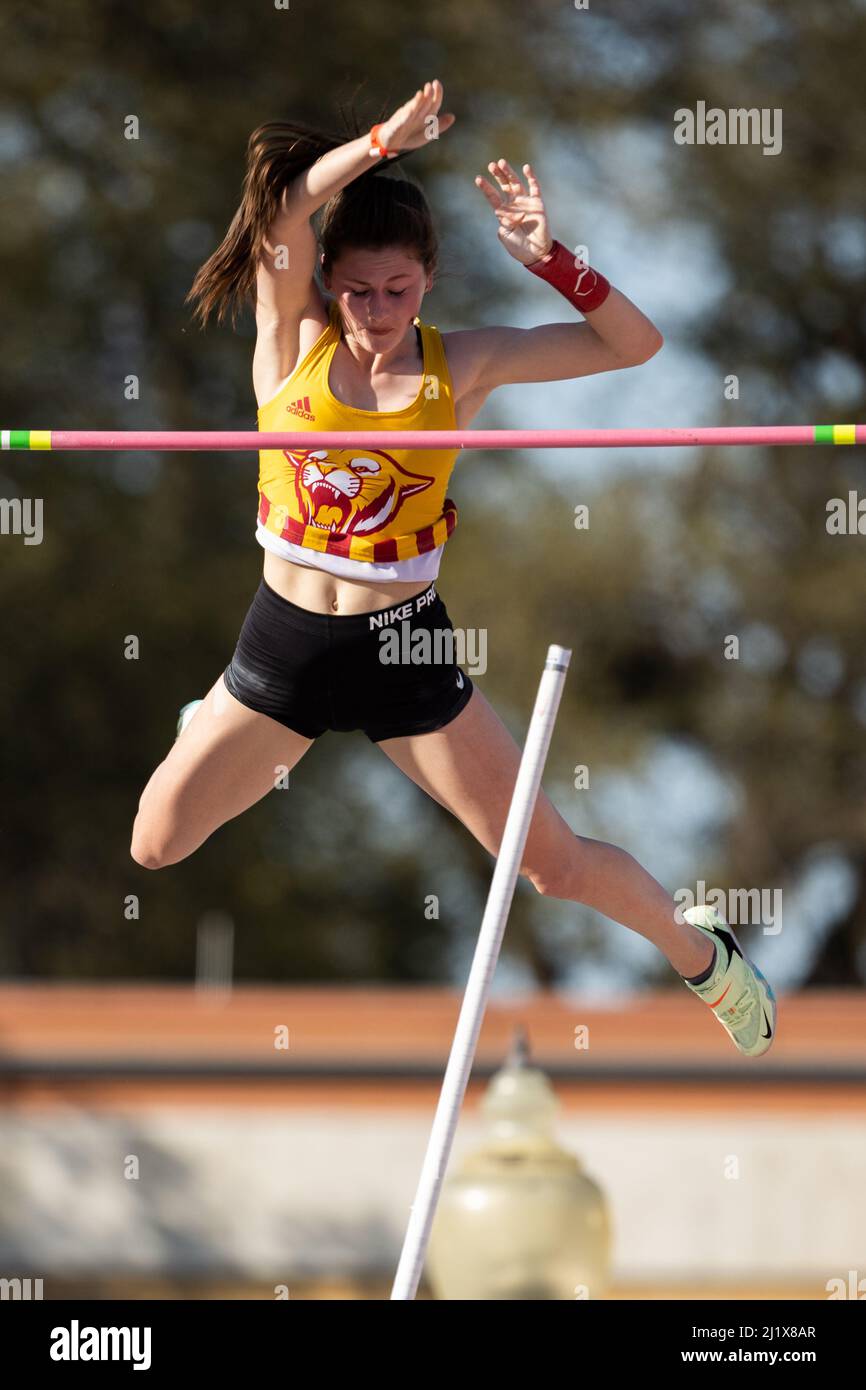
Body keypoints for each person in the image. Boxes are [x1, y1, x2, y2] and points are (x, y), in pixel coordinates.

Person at [130, 80, 775, 1057]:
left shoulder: (459, 366)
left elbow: (633, 346)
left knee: (548, 863)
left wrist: (549, 260)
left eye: (397, 290)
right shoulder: (289, 341)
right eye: (355, 289)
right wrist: (379, 143)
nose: (376, 310)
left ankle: (705, 960)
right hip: (285, 643)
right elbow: (287, 205)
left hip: (402, 647)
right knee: (155, 844)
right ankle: (210, 717)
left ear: (426, 279)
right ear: (324, 282)